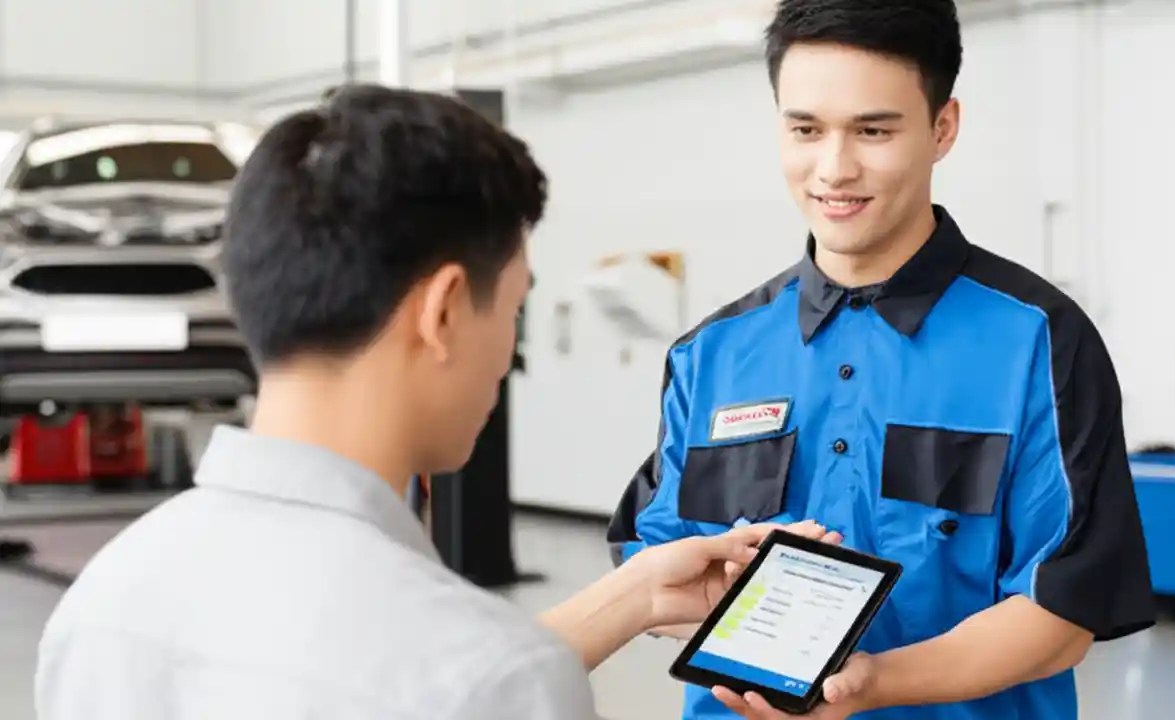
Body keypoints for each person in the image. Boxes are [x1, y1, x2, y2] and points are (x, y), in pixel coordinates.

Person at [33, 85, 842, 720]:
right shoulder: (486, 675)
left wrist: (637, 595)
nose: (508, 355)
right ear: (446, 310)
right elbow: (458, 681)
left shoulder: (106, 599)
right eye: (513, 308)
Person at [606, 1, 1156, 718]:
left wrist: (875, 683)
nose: (834, 169)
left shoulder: (1039, 342)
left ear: (942, 128)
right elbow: (655, 571)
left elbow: (1062, 610)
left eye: (873, 130)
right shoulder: (711, 353)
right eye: (806, 129)